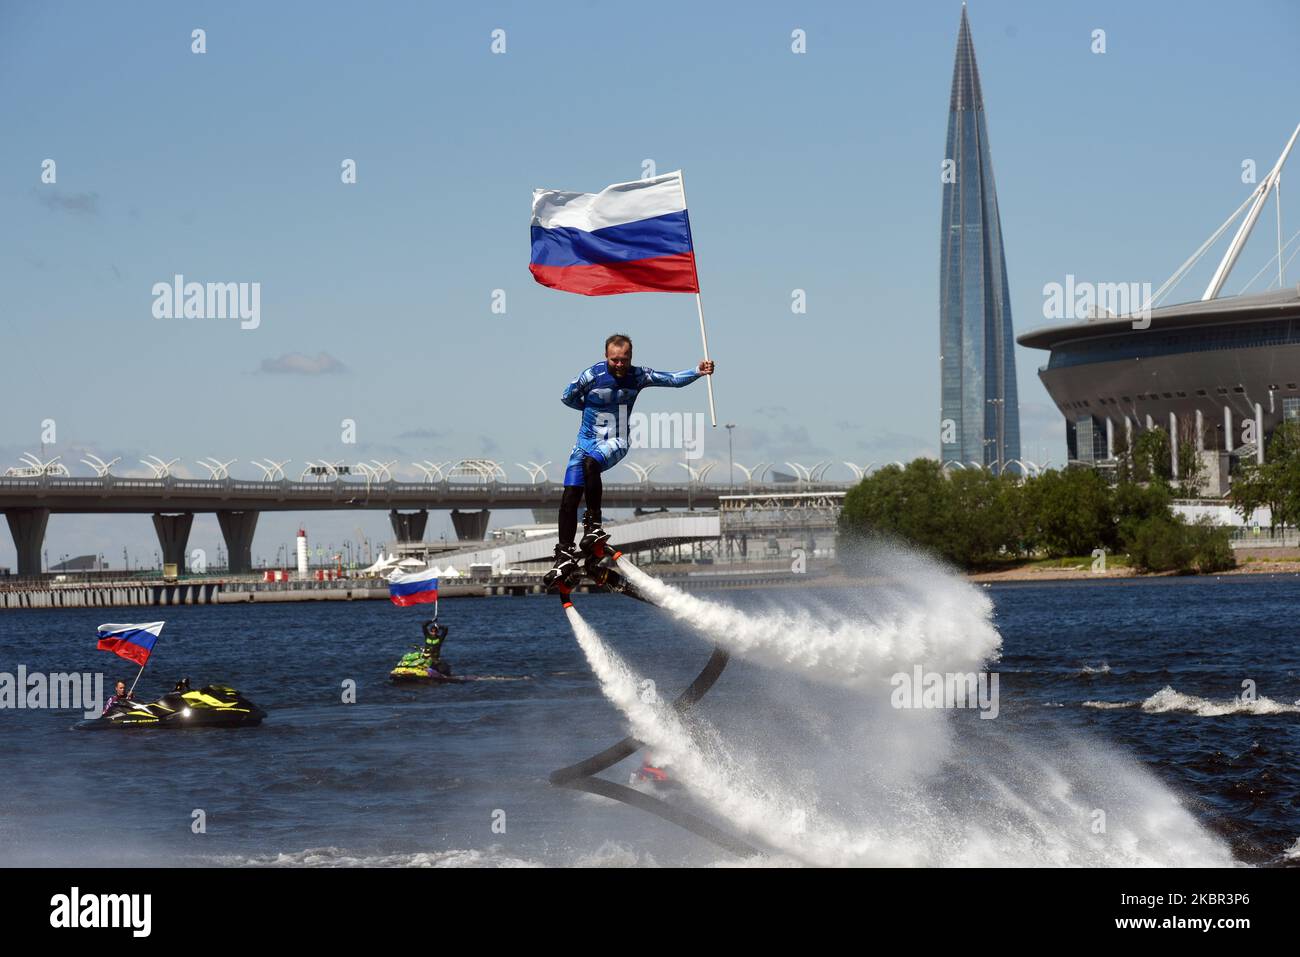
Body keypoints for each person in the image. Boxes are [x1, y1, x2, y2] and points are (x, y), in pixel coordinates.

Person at [544, 334, 714, 588]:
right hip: (584, 441)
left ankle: (593, 525)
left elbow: (672, 380)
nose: (620, 365)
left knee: (592, 465)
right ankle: (565, 553)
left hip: (616, 440)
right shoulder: (591, 375)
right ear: (606, 357)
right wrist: (591, 409)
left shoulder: (639, 375)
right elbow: (566, 397)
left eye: (624, 360)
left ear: (630, 357)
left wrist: (698, 371)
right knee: (569, 496)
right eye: (615, 360)